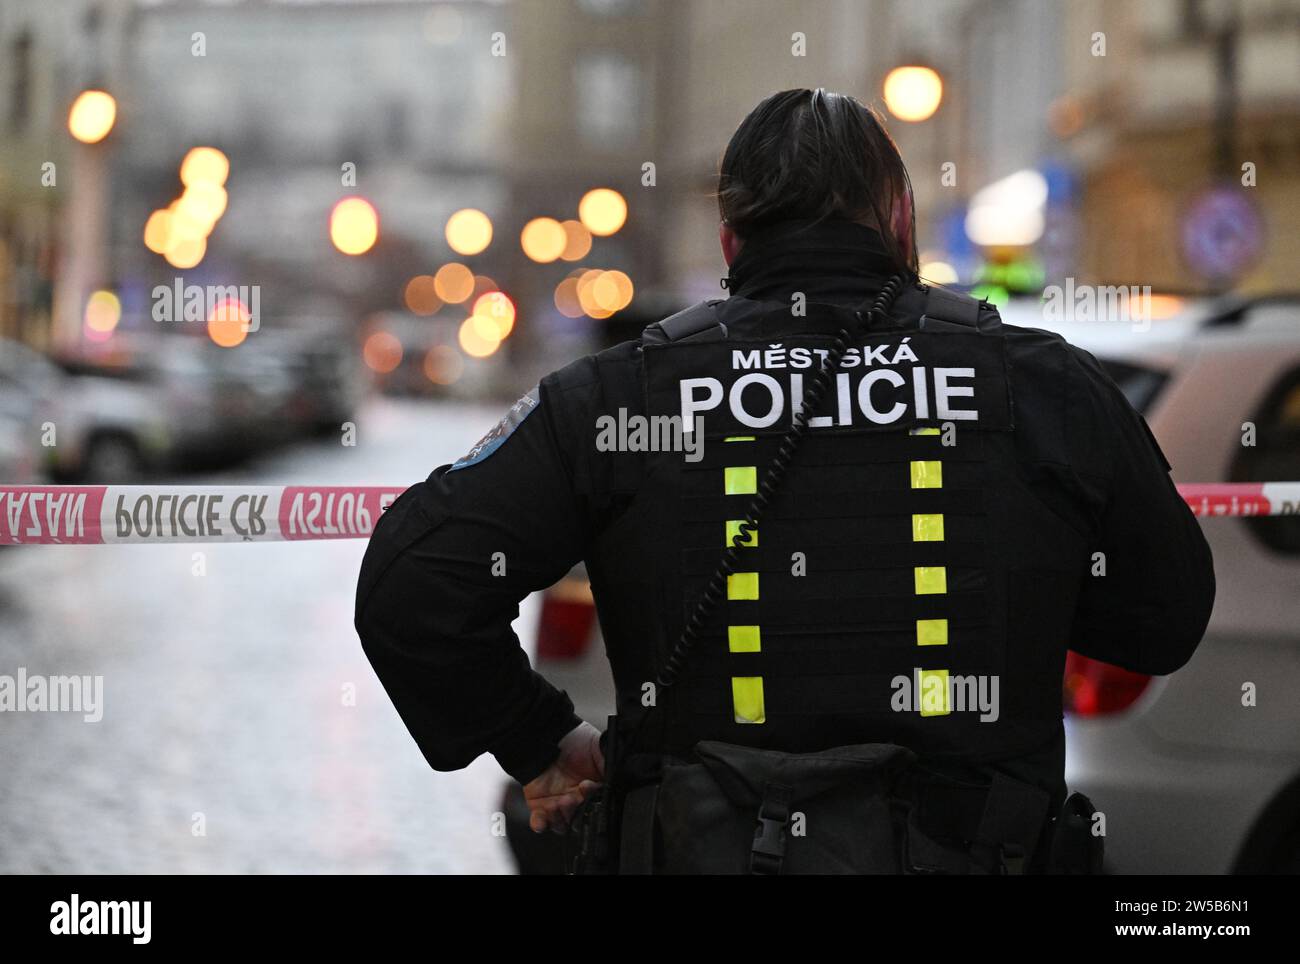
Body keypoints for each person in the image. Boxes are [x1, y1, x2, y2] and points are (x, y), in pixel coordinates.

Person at [354, 88, 1215, 873]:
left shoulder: (625, 394)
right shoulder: (1040, 381)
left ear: (732, 241)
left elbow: (412, 586)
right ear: (903, 220)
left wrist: (537, 737)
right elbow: (1165, 618)